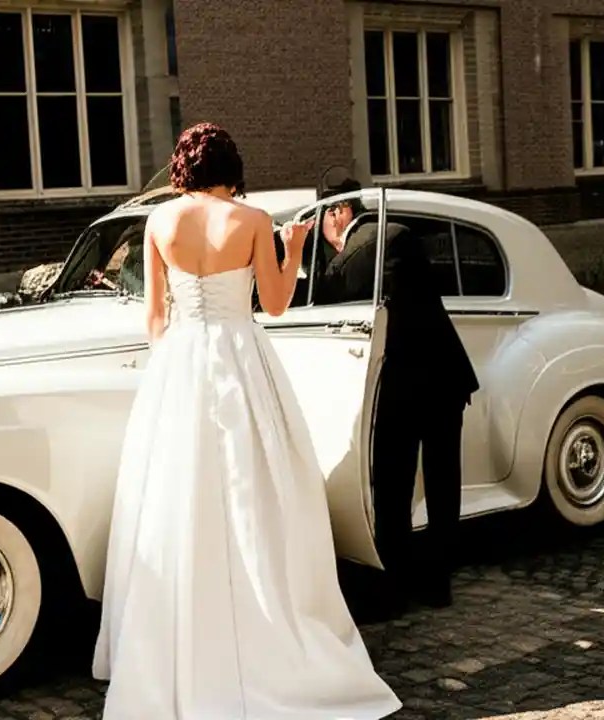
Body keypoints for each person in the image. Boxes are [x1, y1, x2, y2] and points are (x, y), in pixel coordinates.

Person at [92, 122, 402, 719]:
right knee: (257, 490)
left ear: (182, 169)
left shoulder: (159, 222)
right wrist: (292, 247)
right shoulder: (253, 220)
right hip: (241, 353)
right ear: (231, 170)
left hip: (181, 361)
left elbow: (155, 319)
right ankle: (270, 625)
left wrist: (174, 366)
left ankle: (176, 635)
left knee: (175, 496)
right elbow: (278, 302)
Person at [369, 228, 480, 617]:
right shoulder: (425, 283)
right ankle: (436, 582)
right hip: (447, 387)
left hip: (410, 392)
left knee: (393, 487)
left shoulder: (396, 283)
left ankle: (397, 584)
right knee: (442, 486)